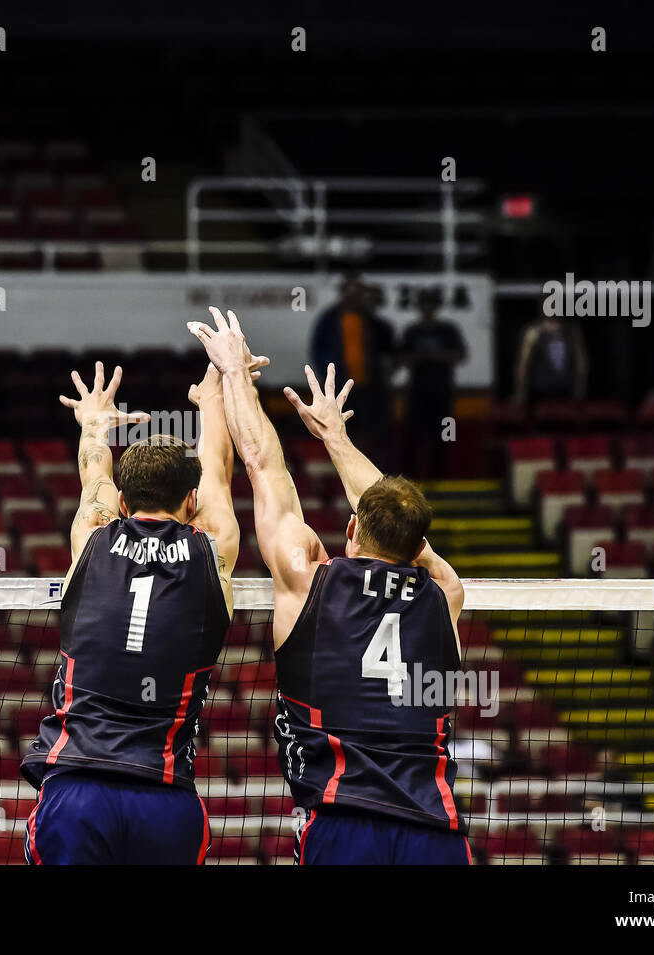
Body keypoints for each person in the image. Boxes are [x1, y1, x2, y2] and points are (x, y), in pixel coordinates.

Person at [190, 307, 470, 865]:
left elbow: (262, 465)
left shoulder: (308, 575)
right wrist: (339, 442)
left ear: (349, 528)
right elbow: (403, 525)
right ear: (419, 544)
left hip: (343, 825)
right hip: (434, 831)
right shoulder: (444, 591)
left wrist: (234, 376)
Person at [20, 354, 263, 864]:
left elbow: (94, 473)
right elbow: (217, 471)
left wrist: (94, 423)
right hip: (164, 794)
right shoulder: (212, 547)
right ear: (191, 502)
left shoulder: (92, 535)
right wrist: (214, 398)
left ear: (124, 504)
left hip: (78, 789)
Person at [311, 275, 397, 471]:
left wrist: (385, 373)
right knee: (345, 431)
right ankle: (346, 471)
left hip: (372, 386)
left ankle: (375, 472)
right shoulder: (330, 319)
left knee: (375, 431)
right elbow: (318, 350)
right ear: (342, 294)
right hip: (342, 387)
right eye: (349, 293)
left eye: (357, 293)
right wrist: (328, 379)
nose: (353, 297)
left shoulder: (373, 321)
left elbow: (389, 351)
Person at [399, 289, 467, 478]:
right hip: (417, 392)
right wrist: (422, 357)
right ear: (420, 307)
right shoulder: (412, 331)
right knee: (413, 437)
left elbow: (461, 354)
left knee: (443, 437)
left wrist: (436, 356)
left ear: (437, 307)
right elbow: (401, 357)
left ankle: (440, 478)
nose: (428, 307)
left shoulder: (448, 330)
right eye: (425, 303)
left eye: (431, 303)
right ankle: (410, 480)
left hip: (442, 392)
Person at [513, 310, 587, 412]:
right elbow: (523, 364)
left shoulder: (571, 331)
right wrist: (521, 391)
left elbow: (581, 362)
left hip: (566, 390)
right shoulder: (534, 332)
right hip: (540, 392)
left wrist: (580, 387)